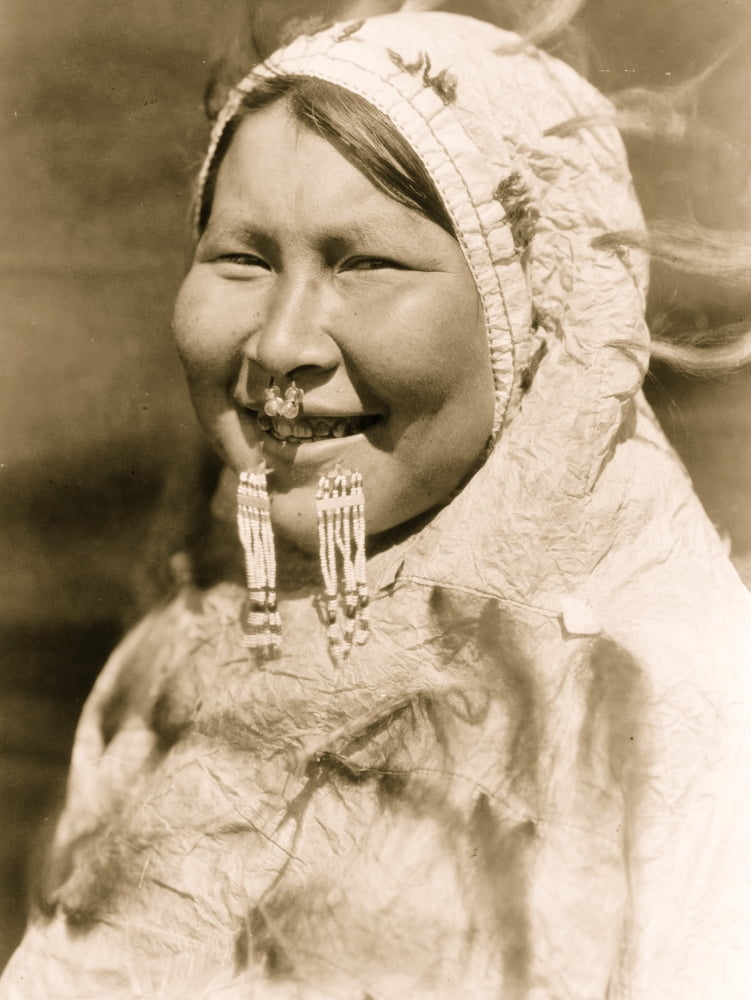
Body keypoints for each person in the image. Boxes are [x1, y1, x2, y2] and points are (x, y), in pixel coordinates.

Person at [2, 8, 750, 999]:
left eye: (365, 263)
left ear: (531, 316)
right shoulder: (172, 662)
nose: (280, 344)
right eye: (242, 258)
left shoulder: (671, 721)